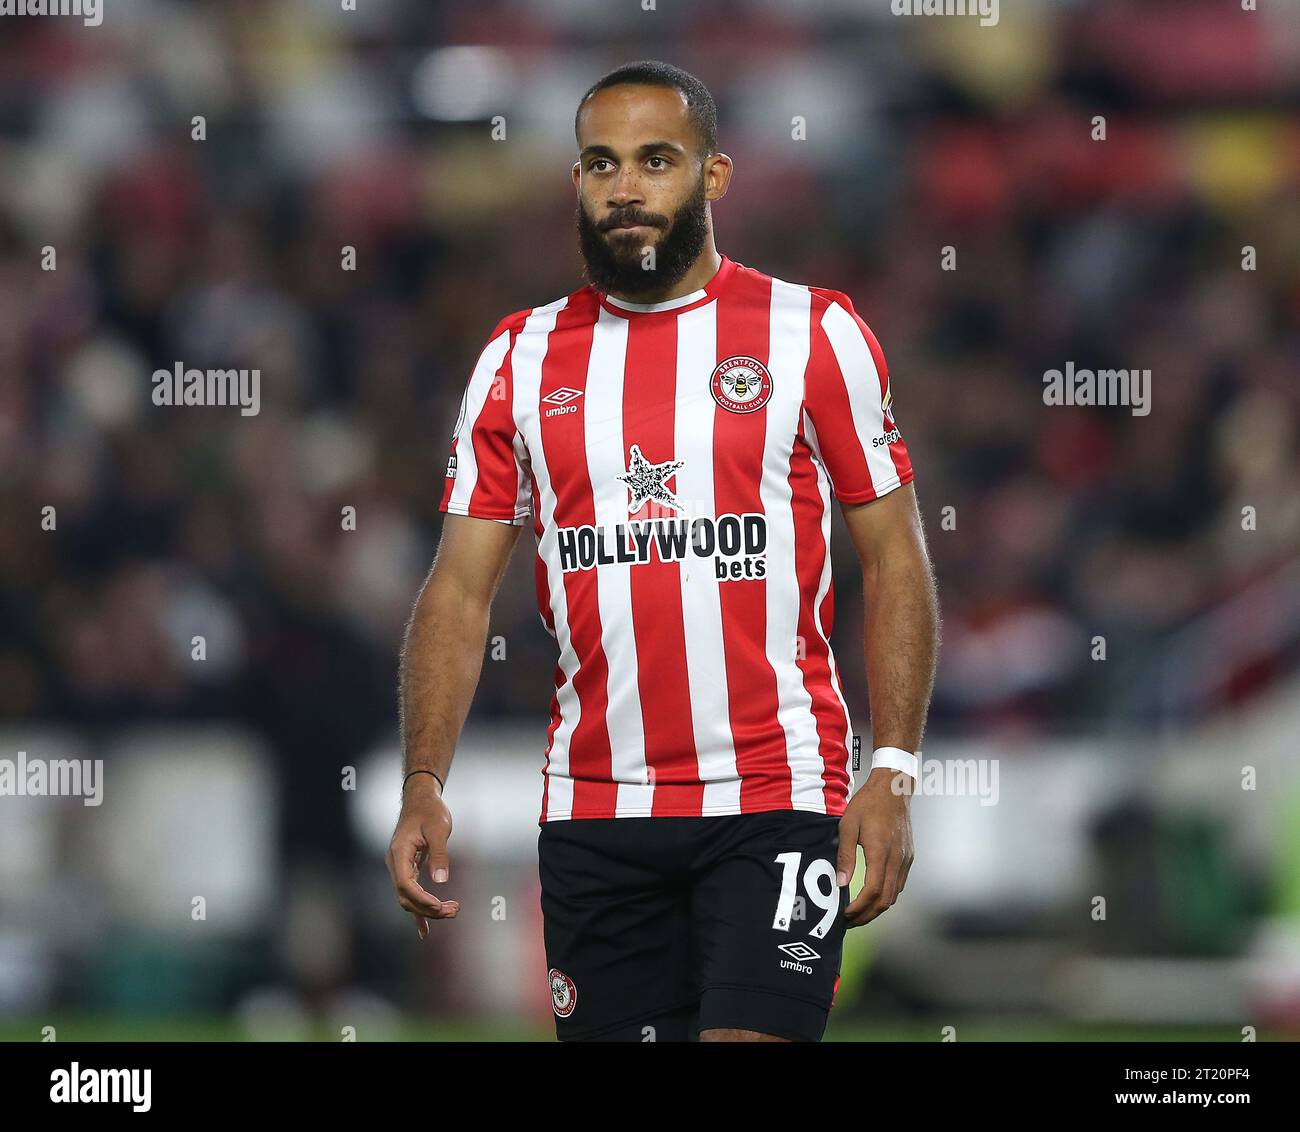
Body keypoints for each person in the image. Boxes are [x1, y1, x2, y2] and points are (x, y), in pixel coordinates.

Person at [387, 60, 940, 1042]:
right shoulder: (518, 359)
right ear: (576, 182)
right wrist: (423, 780)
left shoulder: (813, 333)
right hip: (597, 812)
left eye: (656, 160)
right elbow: (458, 593)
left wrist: (890, 766)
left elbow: (896, 556)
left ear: (714, 177)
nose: (627, 188)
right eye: (601, 164)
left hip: (777, 796)